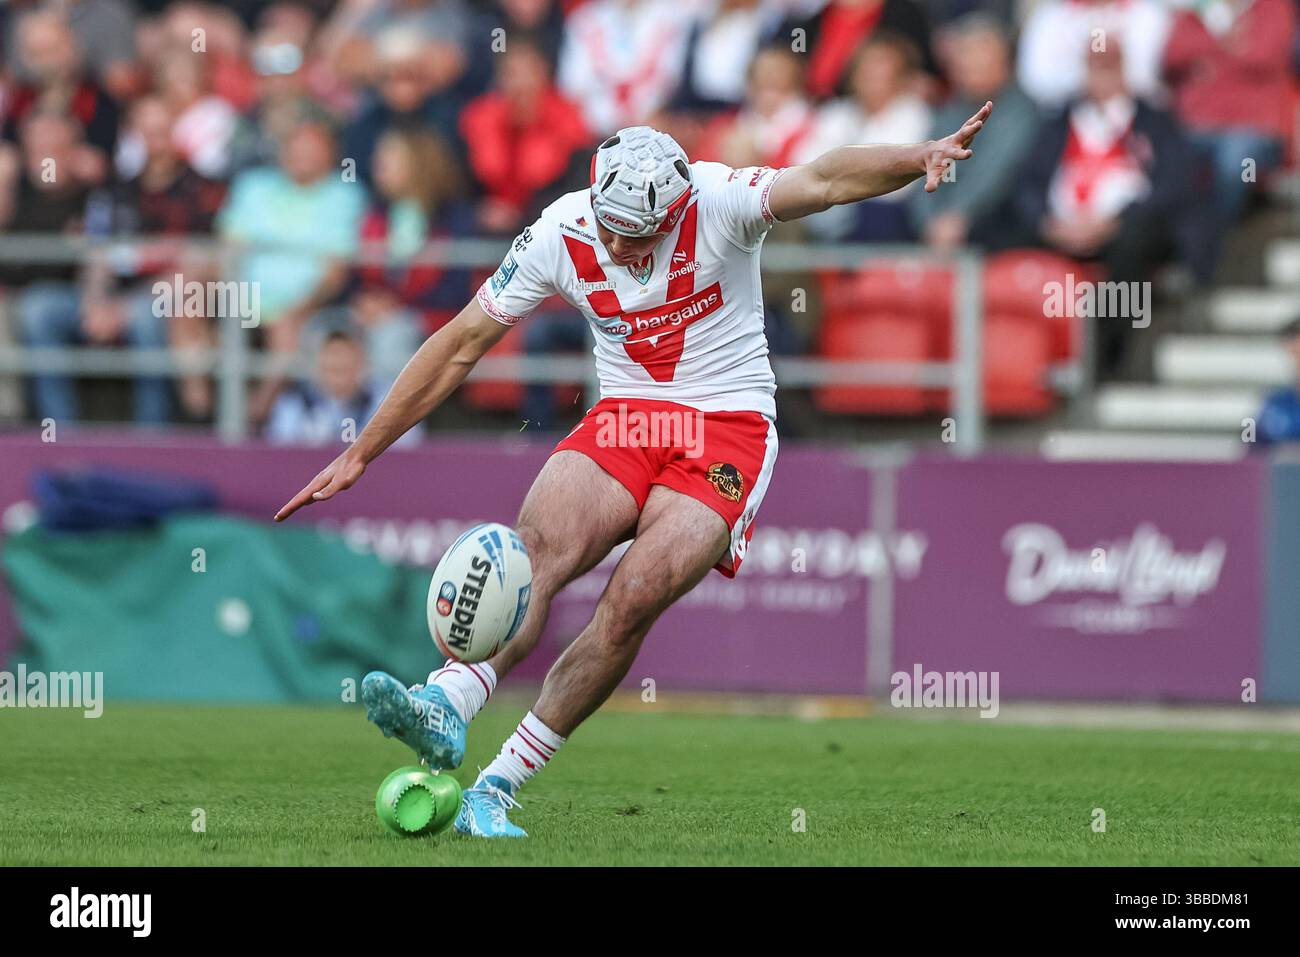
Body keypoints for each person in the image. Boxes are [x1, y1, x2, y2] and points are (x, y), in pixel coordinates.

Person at [275, 106, 993, 836]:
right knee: (536, 558)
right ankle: (448, 702)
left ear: (676, 209)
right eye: (609, 223)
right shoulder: (562, 229)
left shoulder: (719, 200)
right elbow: (462, 342)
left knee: (633, 597)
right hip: (627, 413)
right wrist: (362, 450)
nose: (618, 242)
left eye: (635, 231)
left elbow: (826, 178)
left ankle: (499, 783)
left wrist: (917, 154)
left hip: (727, 425)